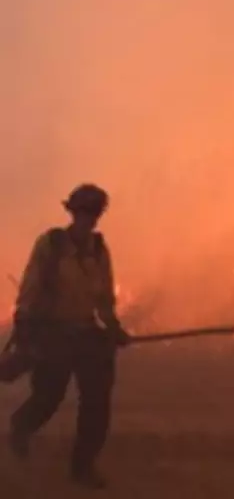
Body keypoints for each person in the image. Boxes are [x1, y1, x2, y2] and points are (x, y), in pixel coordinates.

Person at [8, 183, 131, 489]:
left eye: (95, 212)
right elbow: (30, 289)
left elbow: (104, 298)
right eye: (84, 211)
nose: (89, 218)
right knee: (49, 397)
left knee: (97, 403)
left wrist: (113, 328)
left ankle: (83, 466)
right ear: (73, 212)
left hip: (86, 333)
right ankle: (20, 428)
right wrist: (25, 329)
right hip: (53, 333)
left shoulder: (99, 250)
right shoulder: (51, 245)